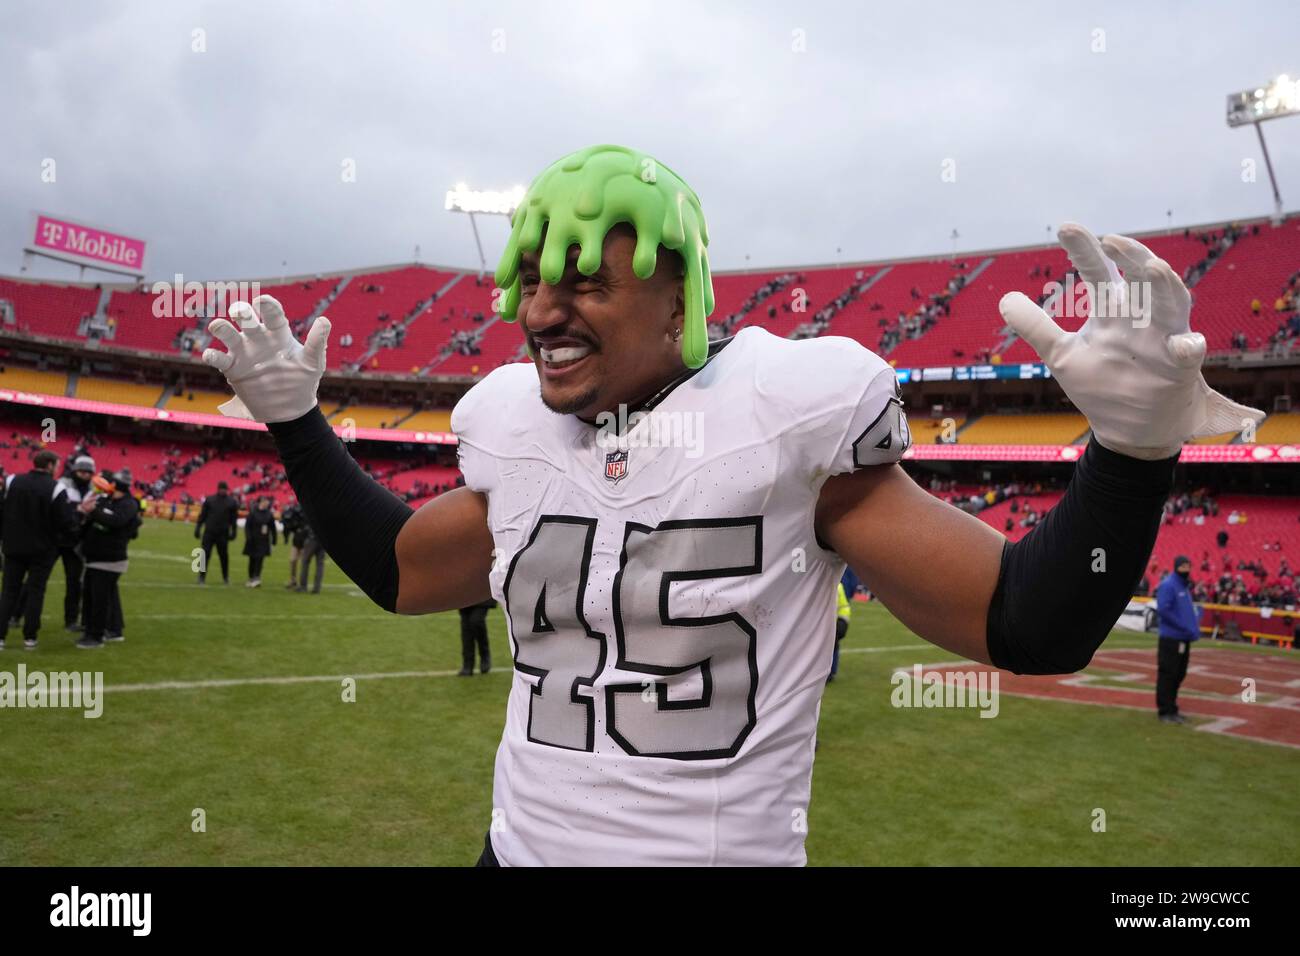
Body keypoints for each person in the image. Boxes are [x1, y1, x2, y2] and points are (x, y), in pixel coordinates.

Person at [204, 144, 1262, 867]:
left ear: (677, 299)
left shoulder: (782, 418)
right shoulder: (514, 429)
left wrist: (1127, 451)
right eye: (528, 280)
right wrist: (298, 424)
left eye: (580, 281)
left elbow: (1031, 620)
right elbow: (399, 567)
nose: (539, 310)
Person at [0, 449, 79, 650]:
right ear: (50, 465)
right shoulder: (56, 488)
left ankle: (0, 636)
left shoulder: (12, 481)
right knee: (36, 592)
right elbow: (65, 521)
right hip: (42, 549)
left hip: (13, 546)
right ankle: (30, 636)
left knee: (8, 592)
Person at [76, 470, 141, 649]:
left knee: (99, 599)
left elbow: (116, 521)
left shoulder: (128, 504)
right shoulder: (107, 499)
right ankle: (108, 630)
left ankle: (96, 636)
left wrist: (94, 511)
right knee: (93, 596)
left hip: (110, 559)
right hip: (94, 556)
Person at [1154, 555, 1201, 724]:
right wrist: (1184, 627)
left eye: (1188, 566)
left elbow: (1185, 612)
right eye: (1183, 567)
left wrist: (1192, 629)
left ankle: (1172, 708)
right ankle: (1164, 711)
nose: (1186, 570)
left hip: (1183, 638)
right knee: (1168, 674)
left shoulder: (1184, 586)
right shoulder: (1169, 585)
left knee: (1179, 674)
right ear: (1176, 567)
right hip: (1171, 638)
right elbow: (1164, 610)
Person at [56, 454, 95, 631]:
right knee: (37, 579)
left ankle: (71, 620)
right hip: (55, 539)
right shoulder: (62, 484)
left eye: (88, 472)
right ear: (75, 470)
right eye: (82, 470)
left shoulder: (93, 490)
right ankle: (17, 614)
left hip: (75, 543)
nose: (85, 474)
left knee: (74, 583)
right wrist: (78, 510)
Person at [194, 480, 238, 584]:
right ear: (218, 489)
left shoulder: (231, 502)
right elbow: (203, 515)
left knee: (224, 556)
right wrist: (198, 528)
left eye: (225, 489)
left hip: (223, 533)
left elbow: (233, 519)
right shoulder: (210, 500)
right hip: (209, 532)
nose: (224, 491)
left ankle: (225, 577)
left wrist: (234, 532)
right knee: (204, 554)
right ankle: (201, 576)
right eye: (222, 489)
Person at [242, 496, 277, 587]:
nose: (267, 503)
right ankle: (251, 577)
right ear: (261, 502)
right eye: (265, 501)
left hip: (263, 540)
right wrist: (248, 537)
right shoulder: (253, 513)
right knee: (252, 560)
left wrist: (274, 541)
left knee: (260, 559)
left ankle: (257, 577)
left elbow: (273, 529)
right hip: (252, 540)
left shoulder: (269, 514)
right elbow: (247, 526)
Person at [457, 597, 496, 676]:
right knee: (466, 627)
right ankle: (467, 665)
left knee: (476, 621)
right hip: (463, 595)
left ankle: (485, 656)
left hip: (482, 595)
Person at [827, 578, 851, 682]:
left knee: (833, 645)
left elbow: (844, 606)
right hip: (830, 621)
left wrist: (842, 621)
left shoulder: (838, 586)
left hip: (837, 621)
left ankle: (831, 672)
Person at [280, 501, 307, 588]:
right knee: (293, 560)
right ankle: (293, 580)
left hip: (305, 541)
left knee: (303, 562)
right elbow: (289, 526)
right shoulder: (295, 515)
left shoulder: (306, 516)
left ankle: (301, 582)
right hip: (296, 541)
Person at [296, 520, 325, 594]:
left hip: (312, 539)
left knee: (305, 562)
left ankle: (303, 586)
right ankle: (317, 588)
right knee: (320, 565)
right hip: (322, 540)